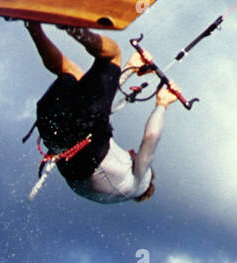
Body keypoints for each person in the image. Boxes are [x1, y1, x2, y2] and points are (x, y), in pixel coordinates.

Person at [24, 20, 180, 204]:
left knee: (112, 55)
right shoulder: (114, 187)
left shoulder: (140, 182)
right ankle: (33, 26)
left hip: (80, 143)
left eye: (135, 156)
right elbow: (98, 97)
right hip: (51, 128)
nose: (131, 151)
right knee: (72, 74)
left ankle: (73, 27)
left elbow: (151, 137)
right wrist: (130, 69)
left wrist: (162, 104)